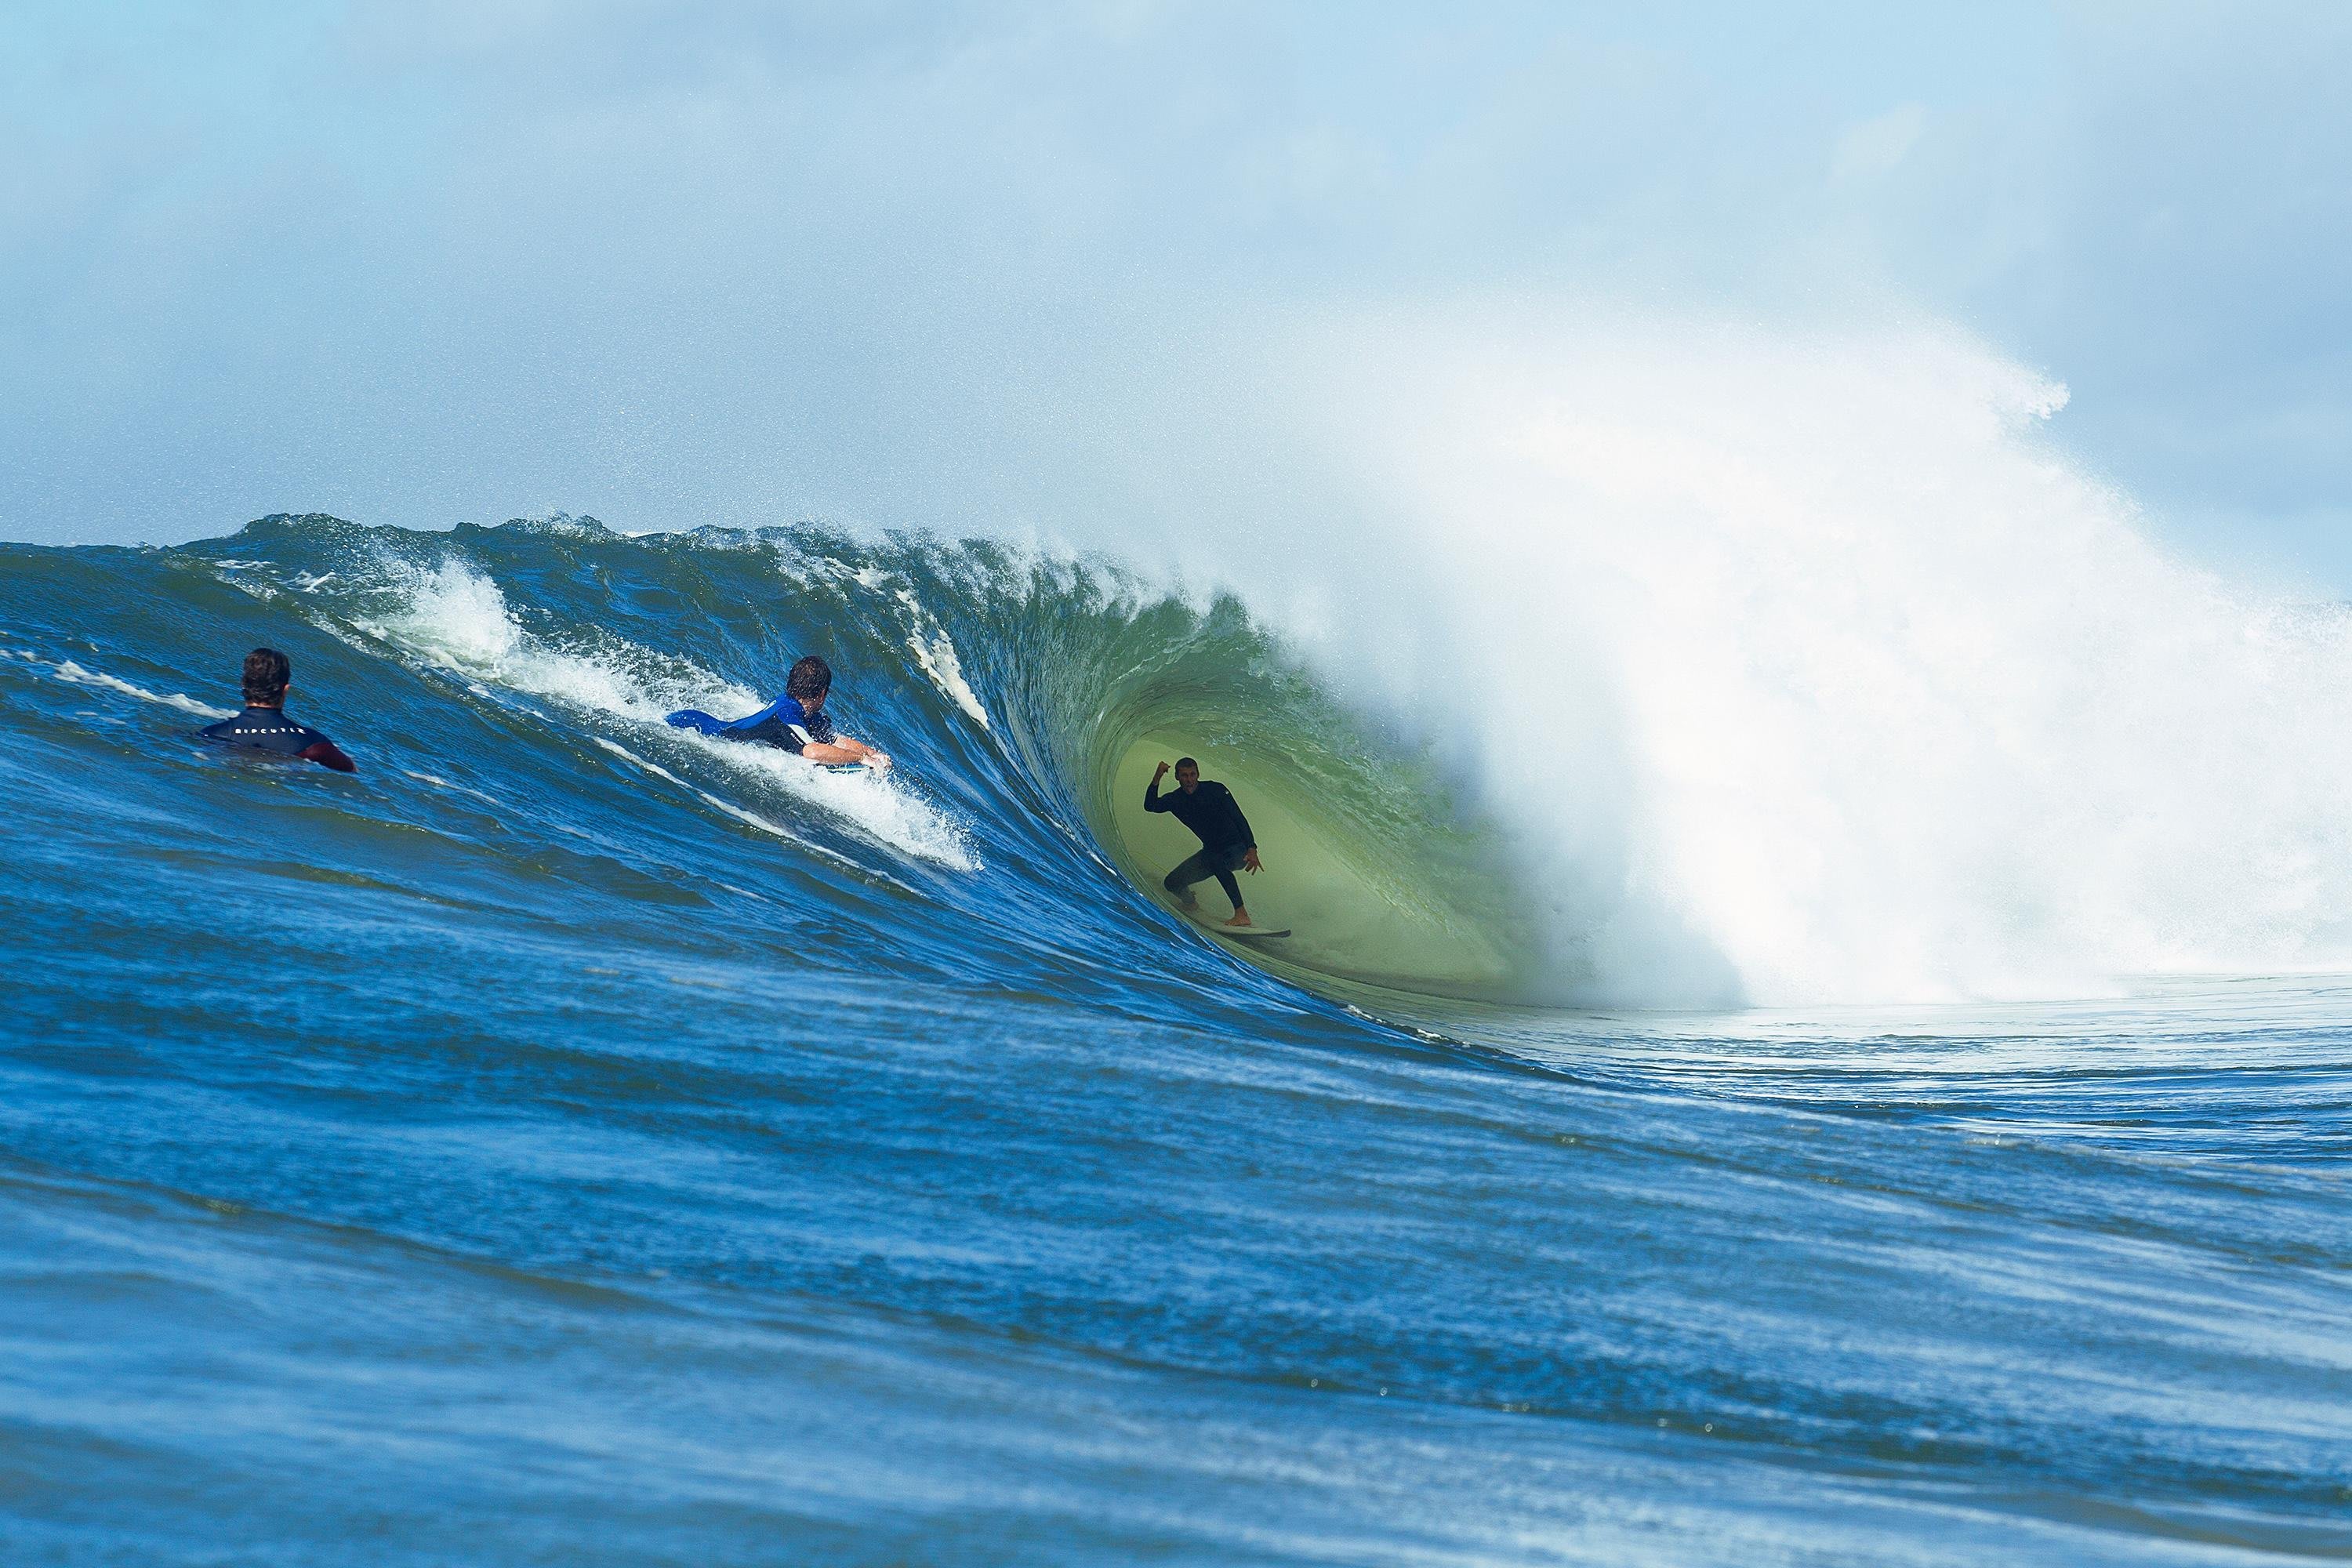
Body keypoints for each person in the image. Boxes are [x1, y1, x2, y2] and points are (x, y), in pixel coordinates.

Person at [665, 655, 891, 769]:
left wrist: (873, 754)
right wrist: (861, 759)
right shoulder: (788, 714)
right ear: (822, 693)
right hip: (697, 728)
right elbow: (811, 752)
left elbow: (835, 740)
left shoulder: (804, 713)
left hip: (705, 724)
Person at [198, 648, 357, 772]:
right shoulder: (314, 743)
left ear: (244, 686)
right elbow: (352, 771)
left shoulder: (212, 734)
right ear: (285, 690)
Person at [1146, 757, 1262, 927]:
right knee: (1171, 883)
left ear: (1198, 775)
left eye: (1193, 775)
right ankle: (1190, 903)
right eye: (1184, 776)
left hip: (1238, 849)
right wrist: (1157, 776)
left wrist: (1252, 848)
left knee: (1216, 860)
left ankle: (1241, 914)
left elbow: (1239, 819)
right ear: (1177, 777)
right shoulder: (1175, 800)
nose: (1189, 780)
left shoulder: (1215, 790)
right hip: (1212, 851)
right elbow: (1151, 806)